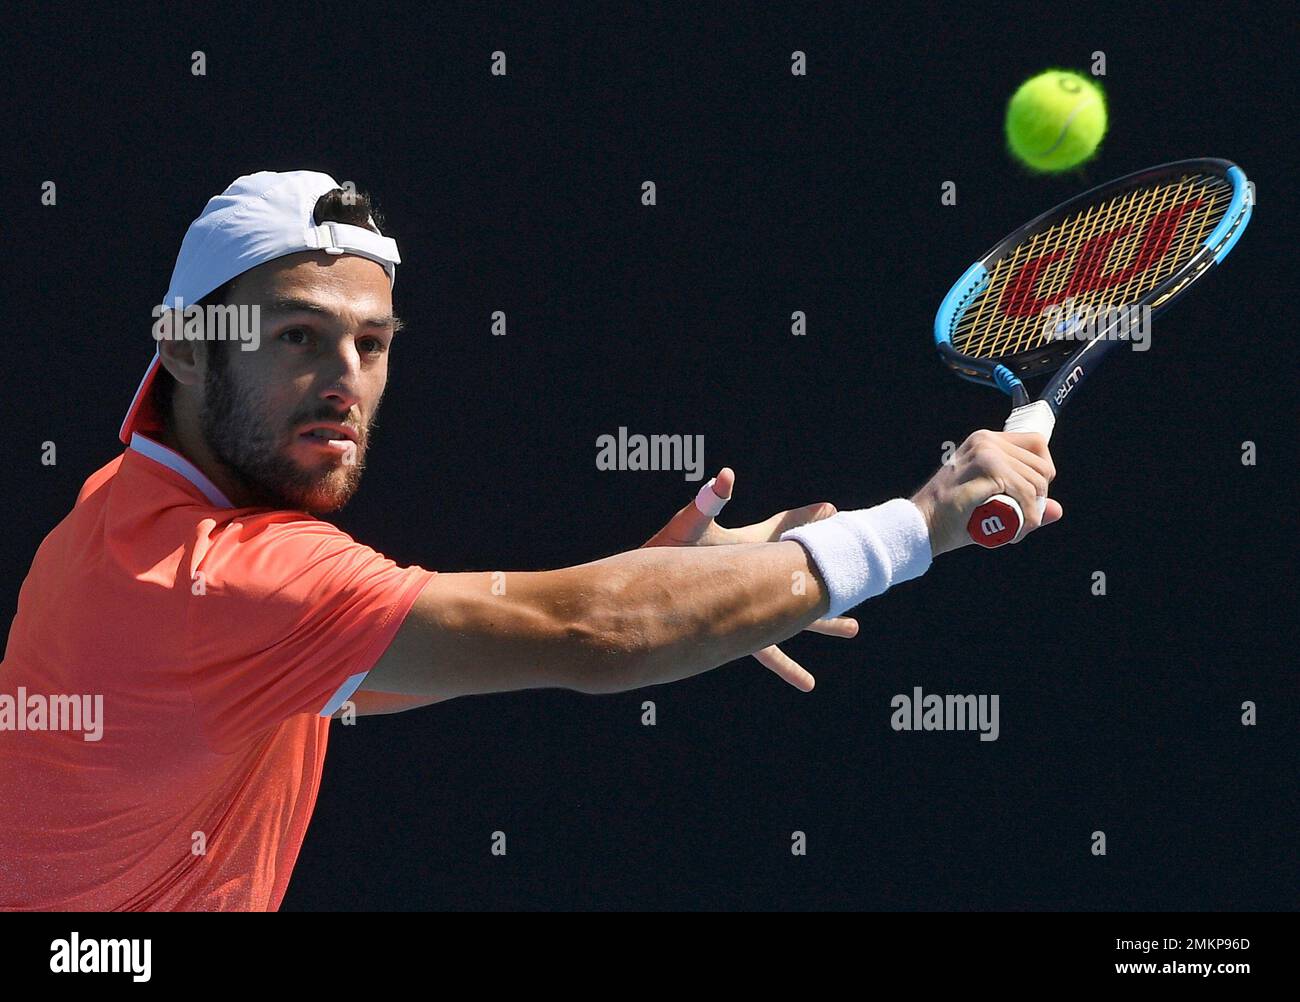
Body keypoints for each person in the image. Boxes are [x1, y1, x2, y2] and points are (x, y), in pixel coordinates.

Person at [0, 171, 1059, 911]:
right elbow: (594, 633)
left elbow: (370, 669)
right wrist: (919, 525)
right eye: (297, 337)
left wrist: (683, 587)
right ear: (185, 351)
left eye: (372, 343)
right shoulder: (220, 577)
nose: (346, 384)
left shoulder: (125, 512)